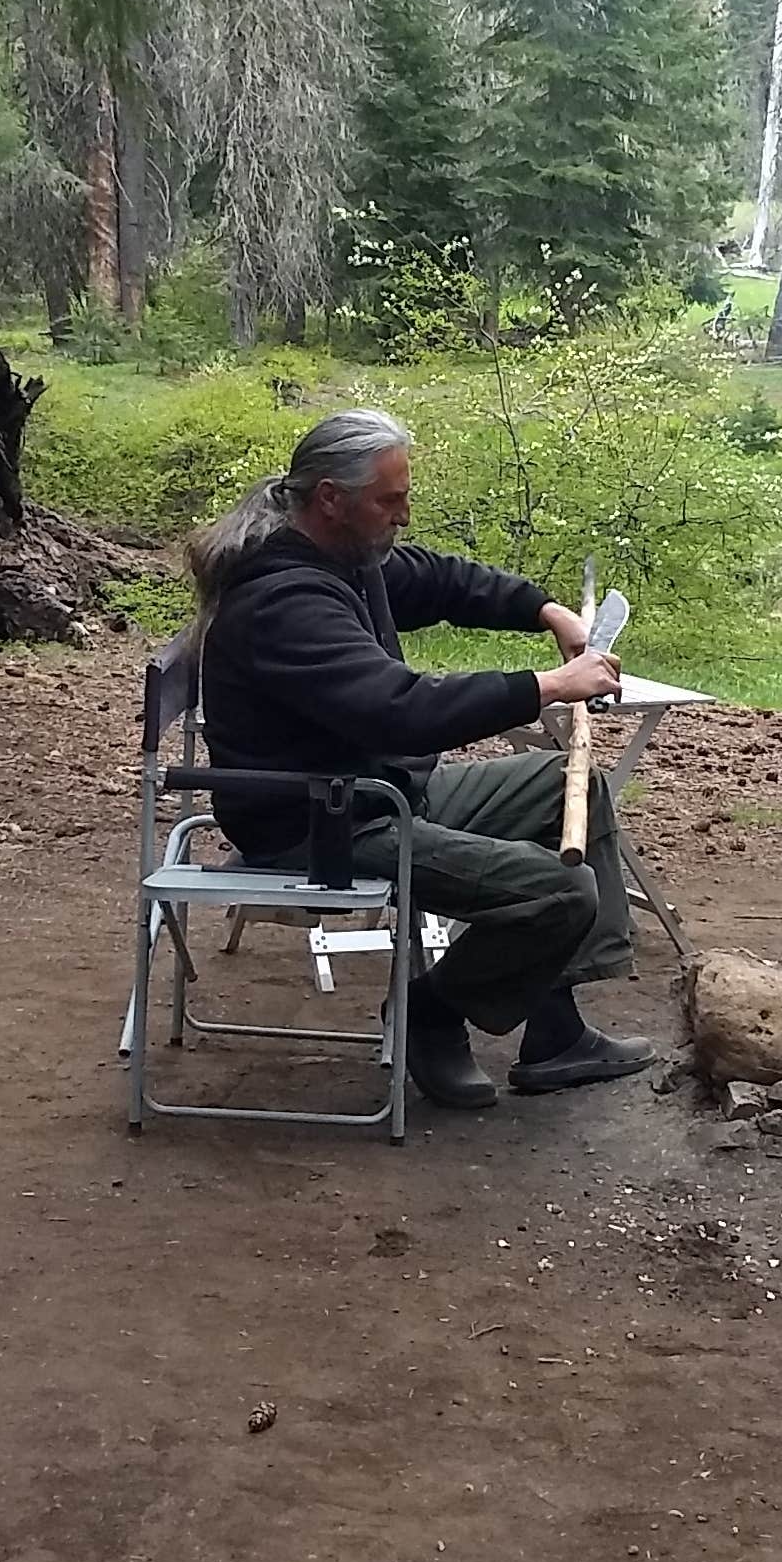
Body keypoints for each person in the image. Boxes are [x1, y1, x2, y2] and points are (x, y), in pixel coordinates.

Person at [188, 406, 657, 1112]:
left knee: (570, 784)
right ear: (330, 501)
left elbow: (440, 581)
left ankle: (555, 1034)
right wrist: (549, 688)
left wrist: (548, 611)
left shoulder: (344, 556)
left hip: (378, 792)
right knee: (560, 891)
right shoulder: (284, 601)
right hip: (321, 826)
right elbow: (399, 708)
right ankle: (431, 1010)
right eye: (390, 500)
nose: (403, 515)